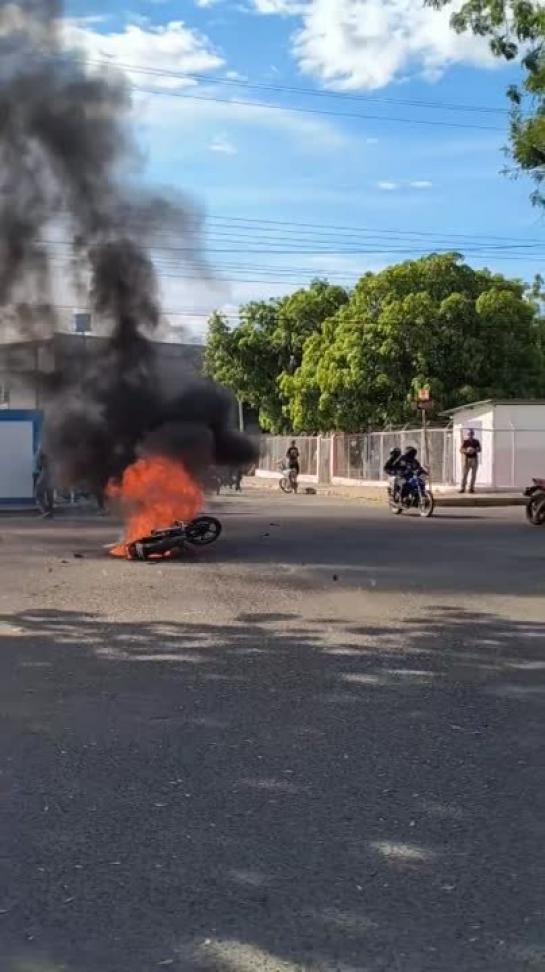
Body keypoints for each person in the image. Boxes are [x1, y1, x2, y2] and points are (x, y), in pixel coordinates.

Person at [459, 429, 481, 494]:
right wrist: (467, 451)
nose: (470, 435)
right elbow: (461, 450)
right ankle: (462, 488)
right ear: (467, 435)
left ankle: (471, 488)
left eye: (471, 434)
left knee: (473, 475)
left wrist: (474, 450)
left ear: (473, 434)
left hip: (474, 459)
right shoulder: (465, 441)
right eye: (469, 434)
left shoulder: (476, 441)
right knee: (465, 474)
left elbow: (479, 449)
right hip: (467, 459)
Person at [34, 449, 54, 518]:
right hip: (55, 472)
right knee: (50, 493)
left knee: (38, 493)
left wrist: (39, 467)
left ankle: (45, 511)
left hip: (46, 471)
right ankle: (50, 511)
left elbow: (38, 461)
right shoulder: (56, 446)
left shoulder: (44, 445)